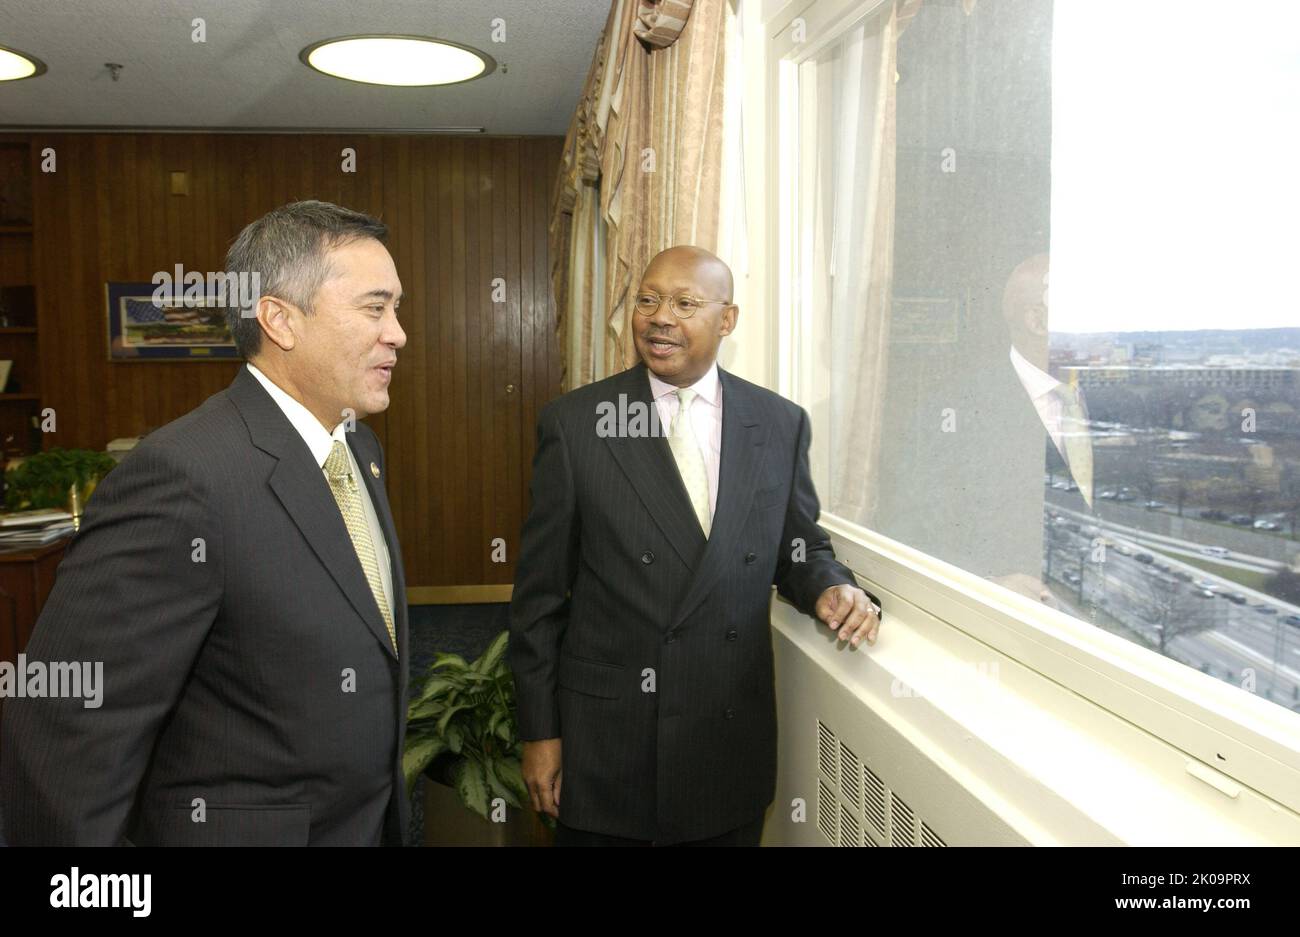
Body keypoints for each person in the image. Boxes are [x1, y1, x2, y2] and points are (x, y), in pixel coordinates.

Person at [0, 200, 410, 845]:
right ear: (279, 319)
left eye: (396, 309)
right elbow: (71, 727)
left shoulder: (359, 448)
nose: (397, 332)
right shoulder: (181, 476)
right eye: (374, 307)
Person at [509, 245, 883, 846]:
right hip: (609, 740)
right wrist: (539, 733)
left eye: (685, 304)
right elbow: (539, 599)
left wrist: (832, 587)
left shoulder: (778, 424)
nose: (661, 317)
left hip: (724, 735)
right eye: (648, 300)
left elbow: (798, 545)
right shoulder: (578, 424)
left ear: (727, 319)